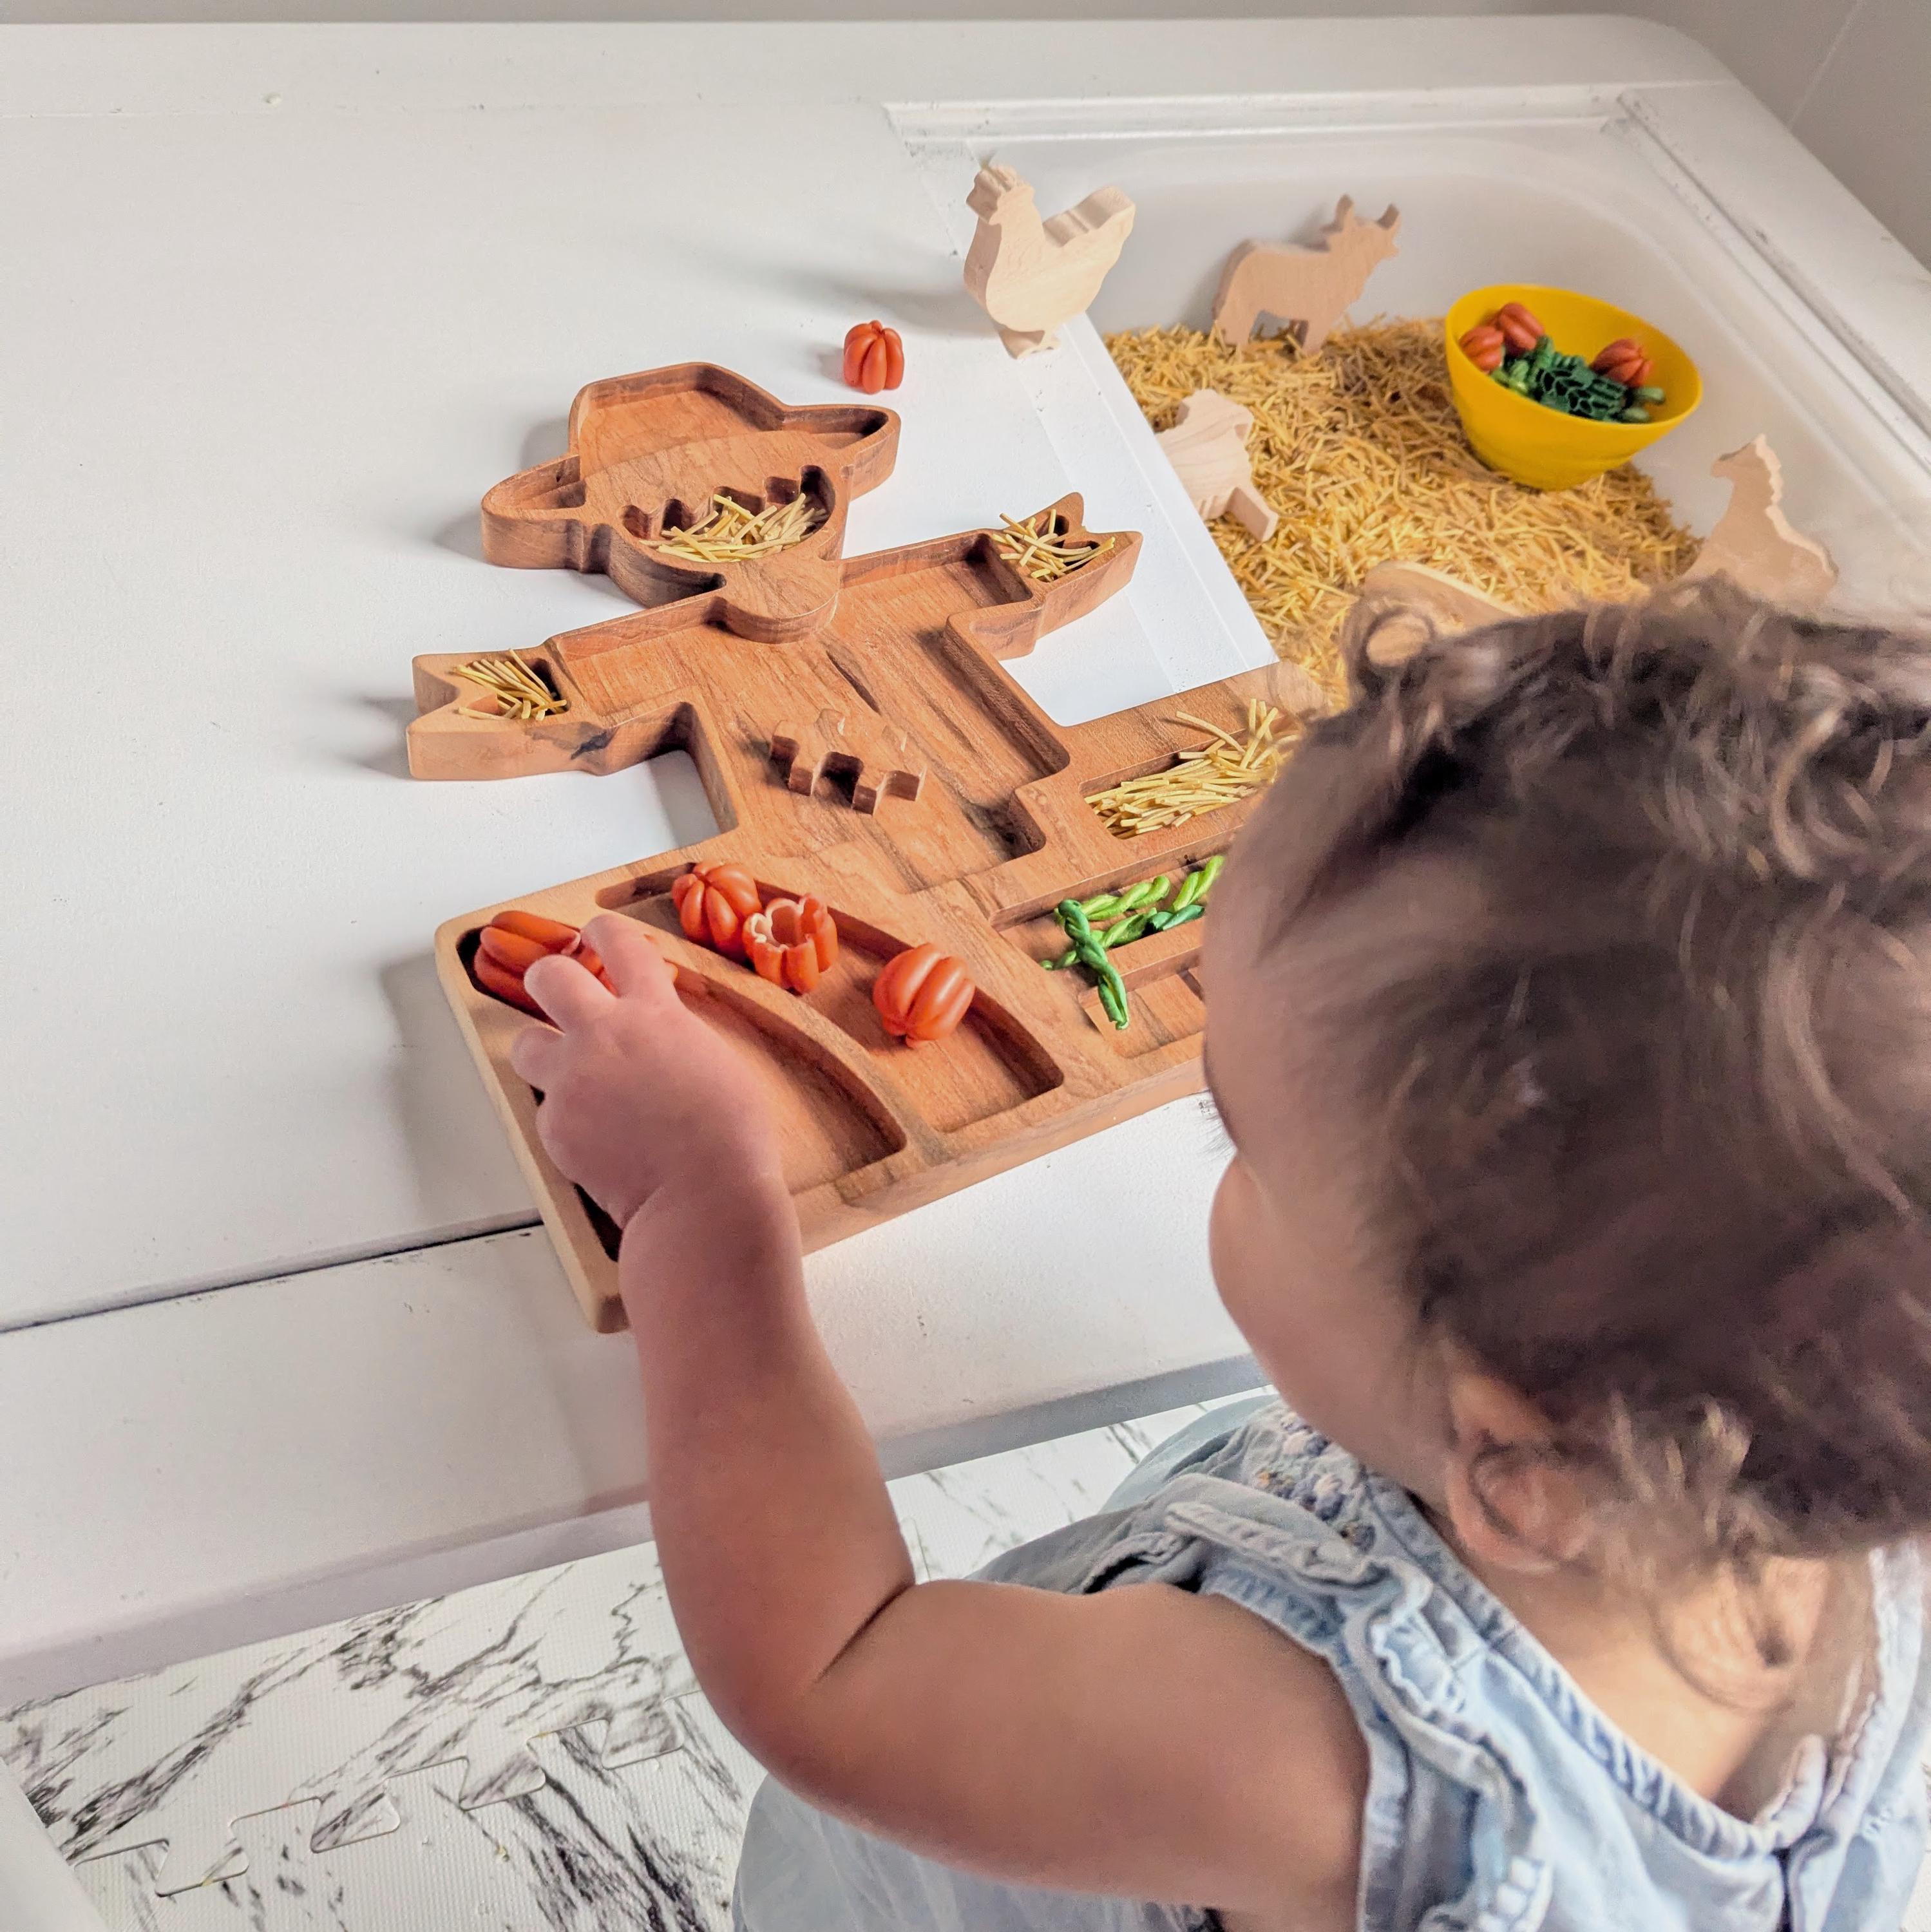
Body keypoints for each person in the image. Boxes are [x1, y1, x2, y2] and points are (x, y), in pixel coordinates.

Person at [506, 583, 1931, 1931]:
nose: (1217, 1146)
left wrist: (701, 1204)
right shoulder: (1804, 1480)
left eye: (1230, 1134)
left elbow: (834, 1664)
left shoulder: (1309, 1762)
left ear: (1517, 1462)